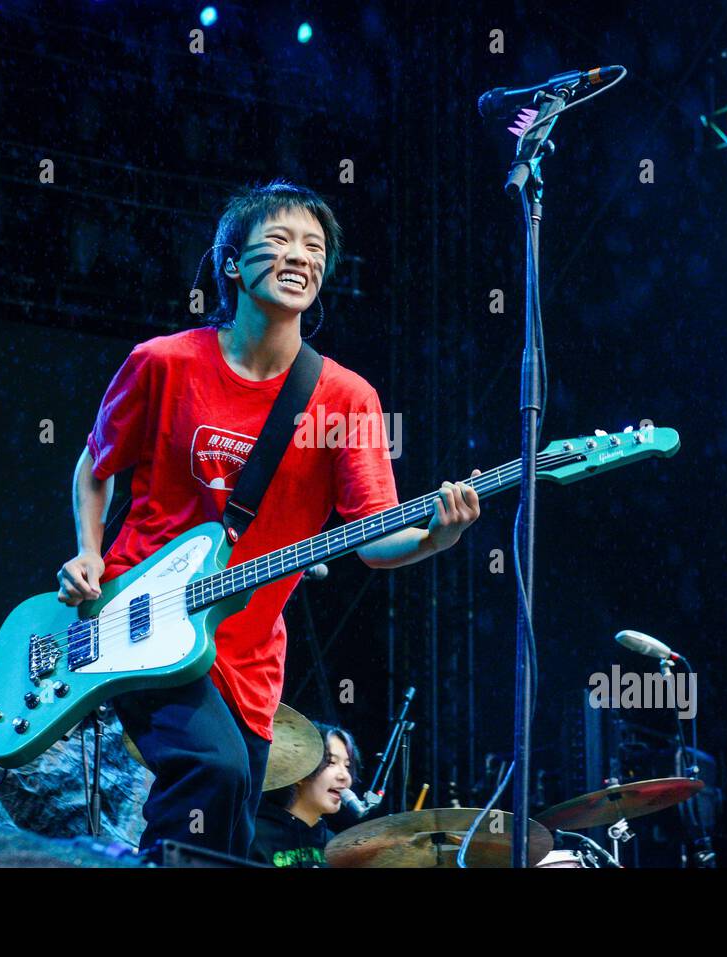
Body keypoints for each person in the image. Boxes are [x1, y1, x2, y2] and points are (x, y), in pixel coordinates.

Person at [57, 179, 481, 859]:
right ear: (231, 262)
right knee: (214, 769)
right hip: (140, 618)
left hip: (249, 657)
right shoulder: (162, 362)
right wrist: (89, 551)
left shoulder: (345, 397)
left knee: (232, 824)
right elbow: (93, 466)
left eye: (314, 247)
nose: (300, 257)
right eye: (279, 240)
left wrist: (439, 534)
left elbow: (375, 538)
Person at [251, 722, 357, 868]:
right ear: (300, 770)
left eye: (347, 765)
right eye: (331, 762)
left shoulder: (335, 845)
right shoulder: (256, 835)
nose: (344, 775)